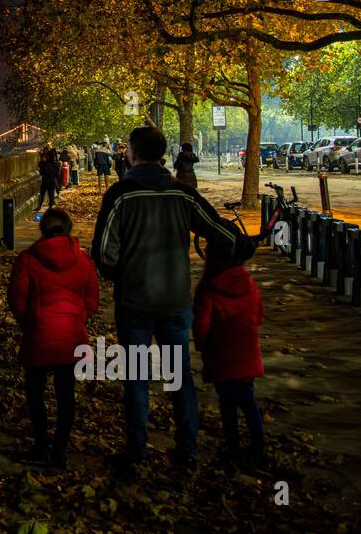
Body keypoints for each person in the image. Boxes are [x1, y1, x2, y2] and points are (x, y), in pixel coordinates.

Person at [91, 126, 248, 475]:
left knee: (135, 376)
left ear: (132, 152)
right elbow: (223, 233)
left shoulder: (121, 194)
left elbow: (103, 252)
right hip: (175, 299)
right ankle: (186, 450)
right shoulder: (182, 195)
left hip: (135, 301)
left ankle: (136, 450)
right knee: (179, 377)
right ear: (163, 153)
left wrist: (122, 275)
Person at [8, 208, 99, 469]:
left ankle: (40, 444)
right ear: (68, 229)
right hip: (72, 337)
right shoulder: (83, 261)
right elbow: (92, 300)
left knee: (35, 394)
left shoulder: (28, 259)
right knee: (66, 395)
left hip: (40, 335)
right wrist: (78, 320)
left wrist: (30, 322)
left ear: (43, 229)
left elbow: (17, 298)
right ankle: (60, 450)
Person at [193, 233, 267, 467]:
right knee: (249, 402)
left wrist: (204, 348)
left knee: (228, 405)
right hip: (246, 353)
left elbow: (201, 325)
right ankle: (258, 446)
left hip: (222, 355)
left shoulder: (209, 288)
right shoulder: (249, 284)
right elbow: (259, 317)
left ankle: (233, 447)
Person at [35, 145, 57, 211]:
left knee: (42, 193)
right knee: (51, 194)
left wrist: (41, 157)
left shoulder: (44, 163)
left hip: (45, 180)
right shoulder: (55, 164)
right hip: (52, 180)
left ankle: (39, 206)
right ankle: (50, 207)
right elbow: (57, 173)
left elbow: (40, 169)